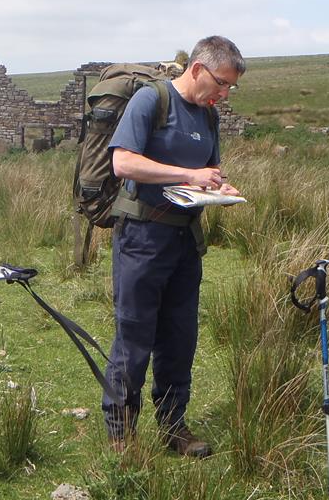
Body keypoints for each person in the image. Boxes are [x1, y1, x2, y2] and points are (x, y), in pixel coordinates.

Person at [101, 35, 244, 457]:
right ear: (198, 69)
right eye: (221, 83)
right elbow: (122, 162)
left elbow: (208, 171)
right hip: (142, 239)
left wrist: (219, 186)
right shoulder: (151, 101)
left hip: (185, 240)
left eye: (231, 88)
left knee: (180, 338)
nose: (223, 93)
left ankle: (173, 427)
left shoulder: (209, 117)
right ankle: (121, 436)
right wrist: (187, 175)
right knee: (135, 335)